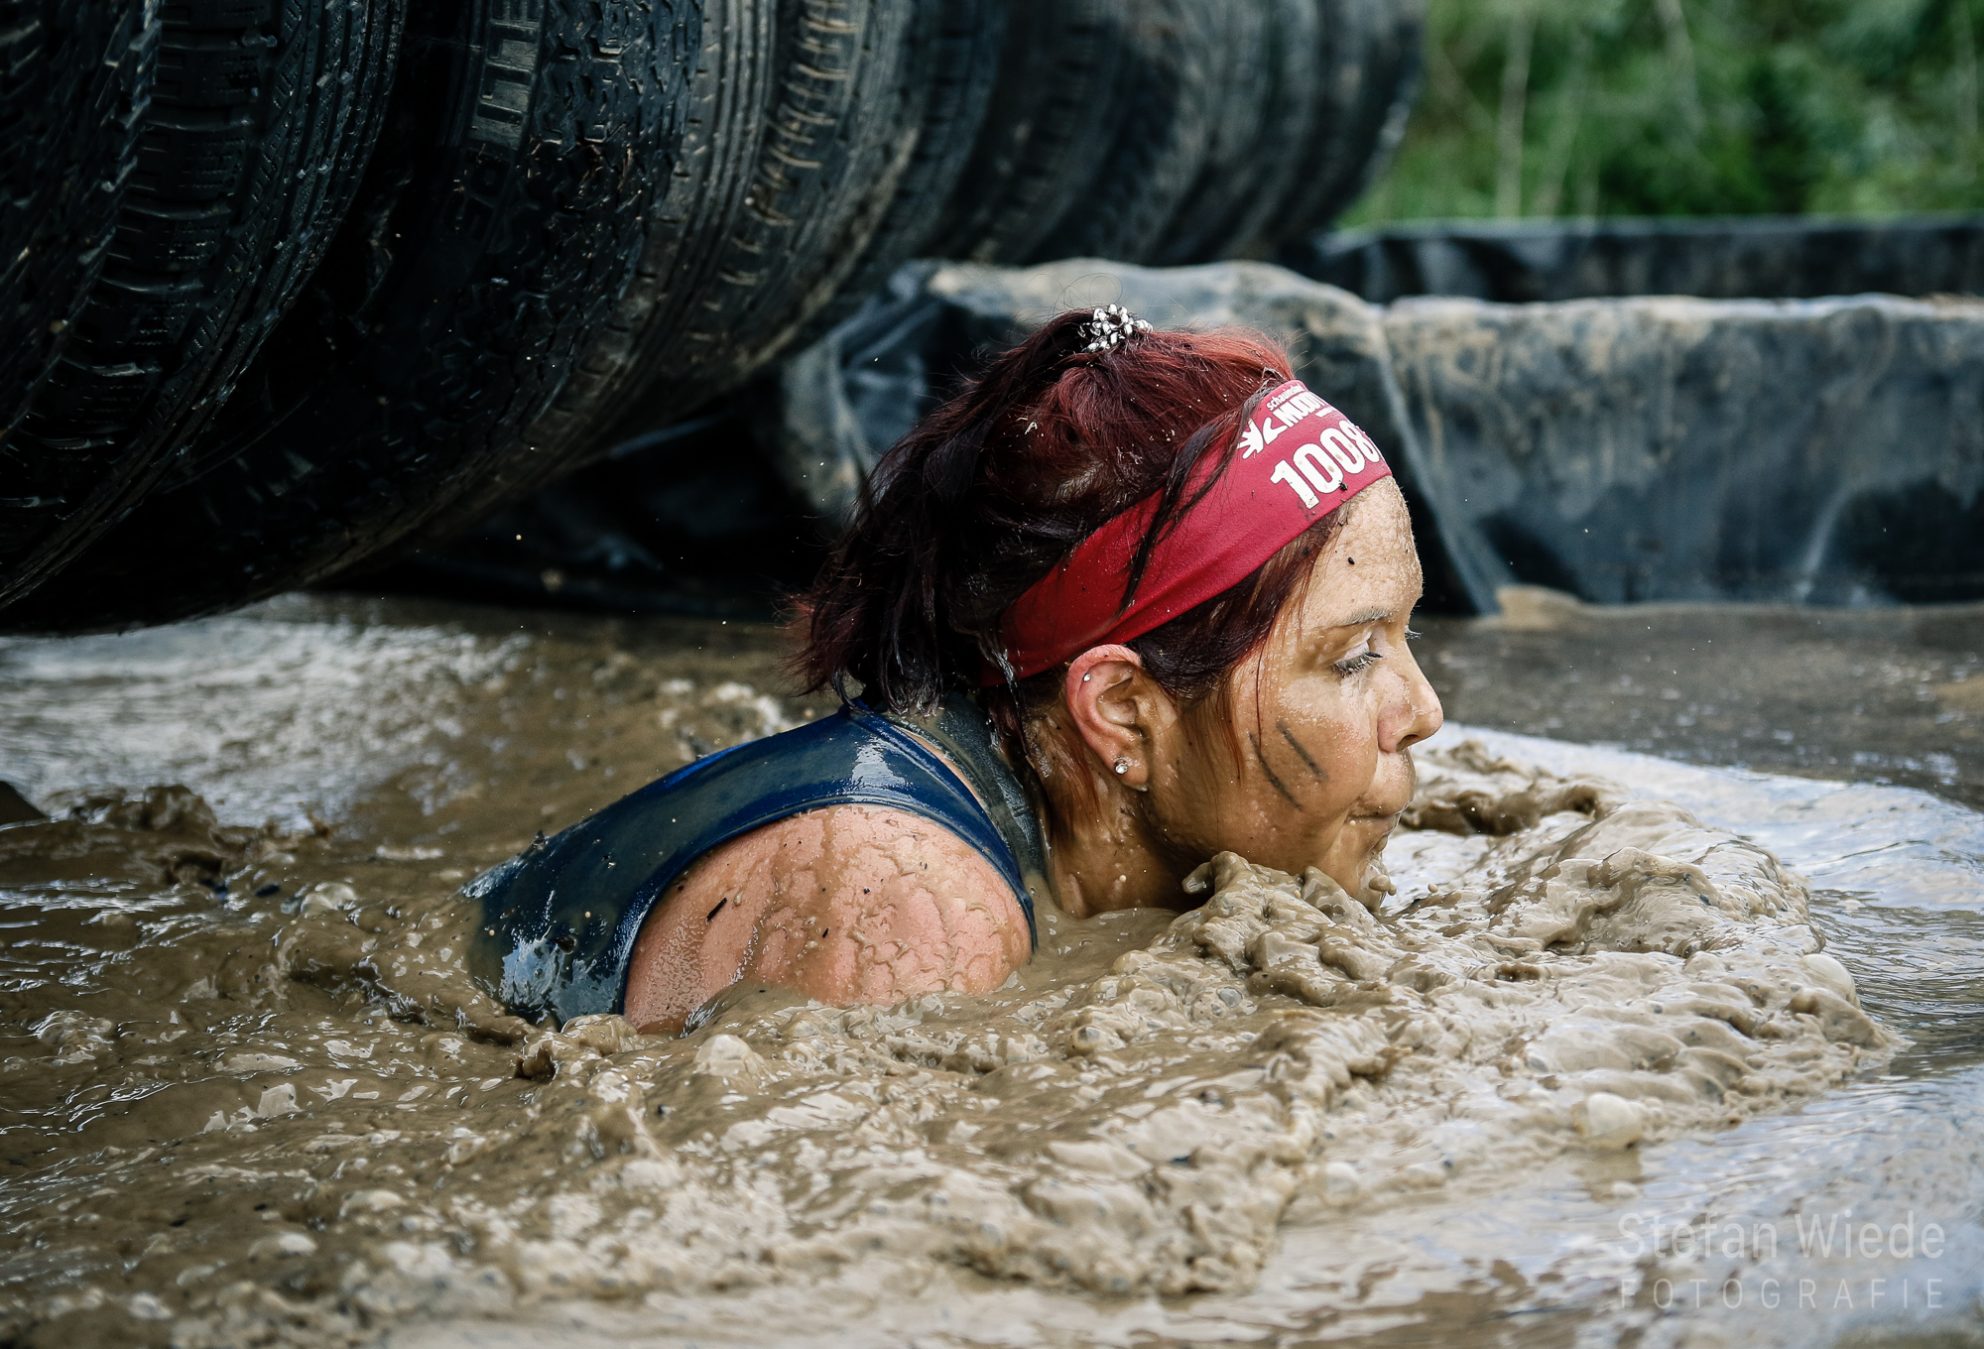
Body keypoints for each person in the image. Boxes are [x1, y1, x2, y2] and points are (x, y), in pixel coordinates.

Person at [466, 304, 1443, 1029]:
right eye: (1353, 655)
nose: (1425, 710)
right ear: (1123, 711)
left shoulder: (1065, 846)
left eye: (1407, 635)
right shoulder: (899, 905)